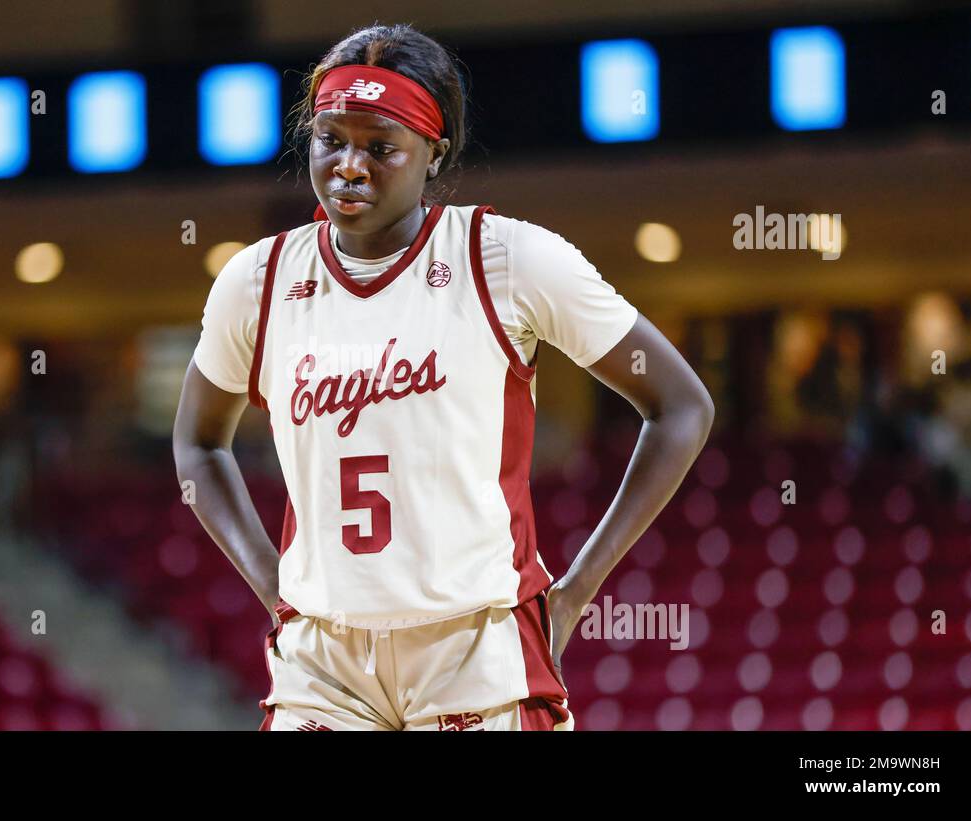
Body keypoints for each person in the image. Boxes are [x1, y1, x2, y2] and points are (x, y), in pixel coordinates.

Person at [173, 23, 714, 730]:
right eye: (331, 139)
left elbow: (680, 406)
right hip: (322, 663)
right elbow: (198, 443)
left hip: (476, 649)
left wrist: (577, 589)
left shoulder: (507, 258)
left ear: (435, 153)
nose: (349, 166)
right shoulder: (259, 279)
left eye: (380, 147)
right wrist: (272, 581)